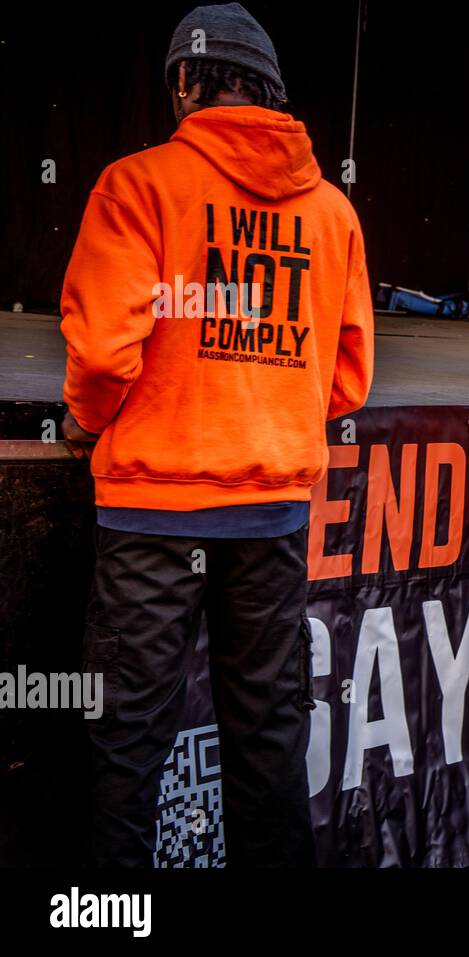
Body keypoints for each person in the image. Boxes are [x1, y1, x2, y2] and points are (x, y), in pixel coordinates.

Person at [60, 2, 374, 867]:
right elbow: (348, 378)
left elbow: (97, 353)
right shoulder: (332, 214)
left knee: (127, 744)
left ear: (190, 84)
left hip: (151, 515)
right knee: (270, 743)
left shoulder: (137, 184)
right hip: (271, 513)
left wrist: (93, 423)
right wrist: (273, 407)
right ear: (268, 89)